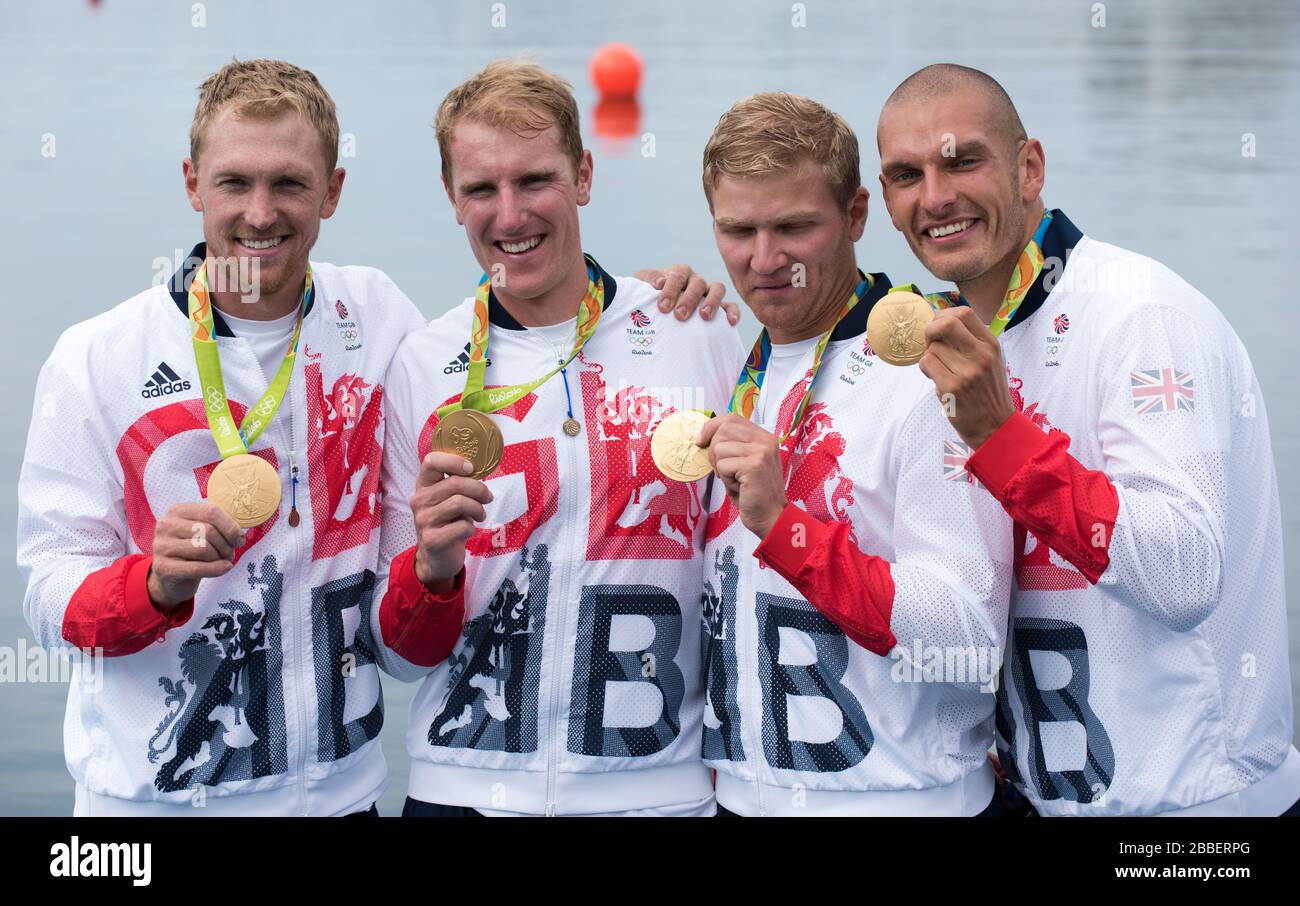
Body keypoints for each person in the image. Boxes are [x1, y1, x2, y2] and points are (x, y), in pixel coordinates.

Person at [15, 58, 719, 817]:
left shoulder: (381, 323)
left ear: (333, 191)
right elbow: (48, 595)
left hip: (341, 801)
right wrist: (150, 587)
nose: (260, 213)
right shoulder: (97, 359)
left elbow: (527, 340)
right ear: (192, 183)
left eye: (288, 183)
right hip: (150, 804)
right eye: (233, 183)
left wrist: (647, 307)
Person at [876, 63, 1299, 815]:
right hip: (1046, 799)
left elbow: (1183, 576)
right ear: (884, 200)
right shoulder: (955, 332)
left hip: (1194, 813)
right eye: (907, 175)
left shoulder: (1142, 316)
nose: (935, 197)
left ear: (1029, 166)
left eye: (962, 160)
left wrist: (1002, 438)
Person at [375, 59, 747, 816]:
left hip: (658, 798)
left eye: (534, 180)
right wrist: (433, 570)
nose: (510, 216)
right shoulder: (421, 363)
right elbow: (399, 657)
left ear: (582, 173)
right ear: (453, 199)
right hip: (460, 794)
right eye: (482, 189)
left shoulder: (695, 330)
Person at [695, 92, 1012, 816]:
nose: (765, 260)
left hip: (902, 803)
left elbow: (966, 642)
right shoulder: (727, 357)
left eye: (795, 227)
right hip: (740, 802)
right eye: (738, 230)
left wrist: (785, 527)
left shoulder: (928, 372)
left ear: (857, 216)